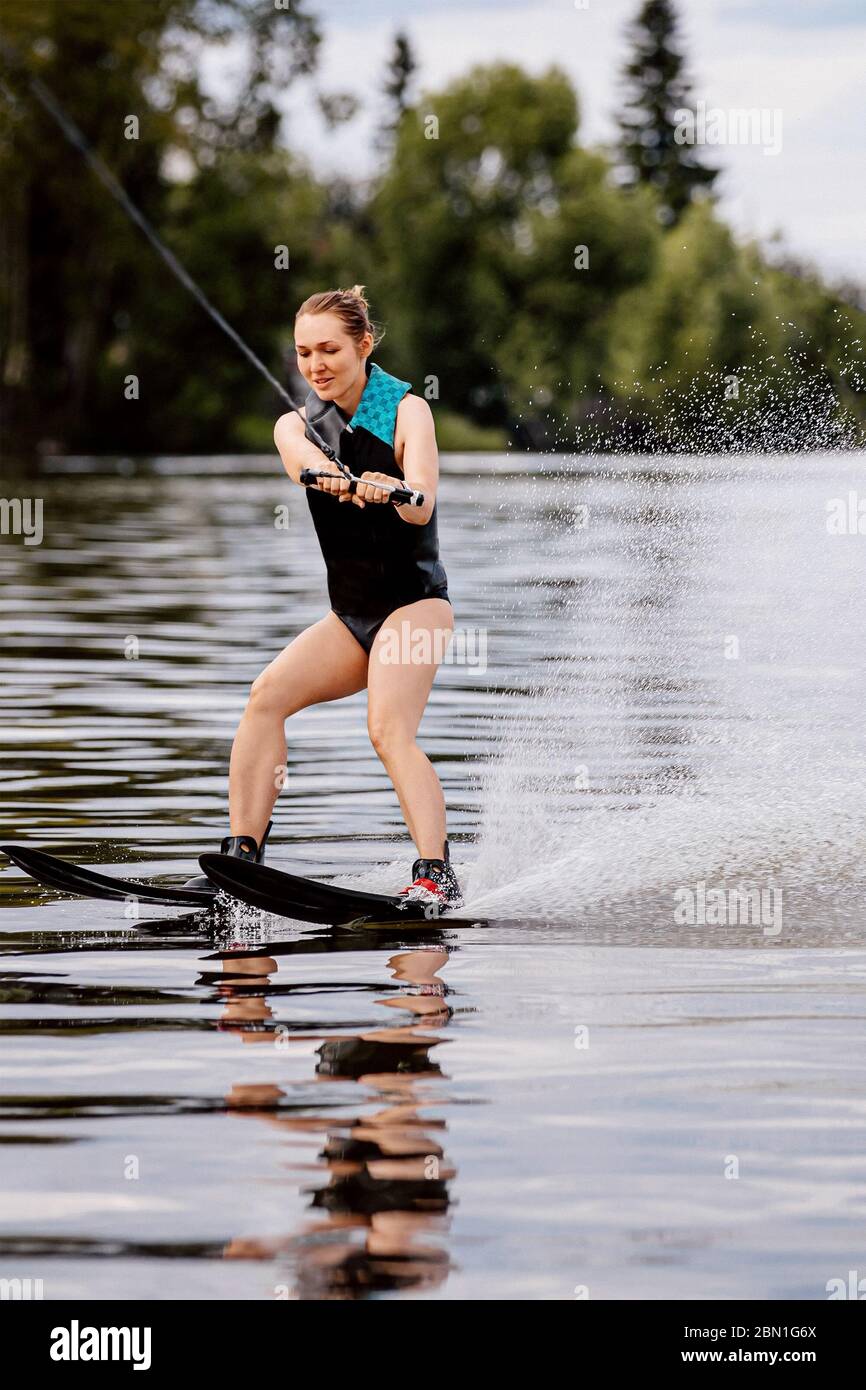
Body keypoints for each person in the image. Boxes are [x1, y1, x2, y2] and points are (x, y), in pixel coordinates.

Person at [189, 285, 462, 909]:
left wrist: (388, 487)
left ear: (364, 345)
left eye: (330, 349)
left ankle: (435, 875)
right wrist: (330, 477)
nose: (316, 364)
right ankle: (241, 860)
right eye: (304, 352)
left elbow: (421, 505)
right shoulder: (297, 423)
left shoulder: (407, 411)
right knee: (265, 699)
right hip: (350, 618)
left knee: (388, 728)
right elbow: (297, 460)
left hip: (415, 608)